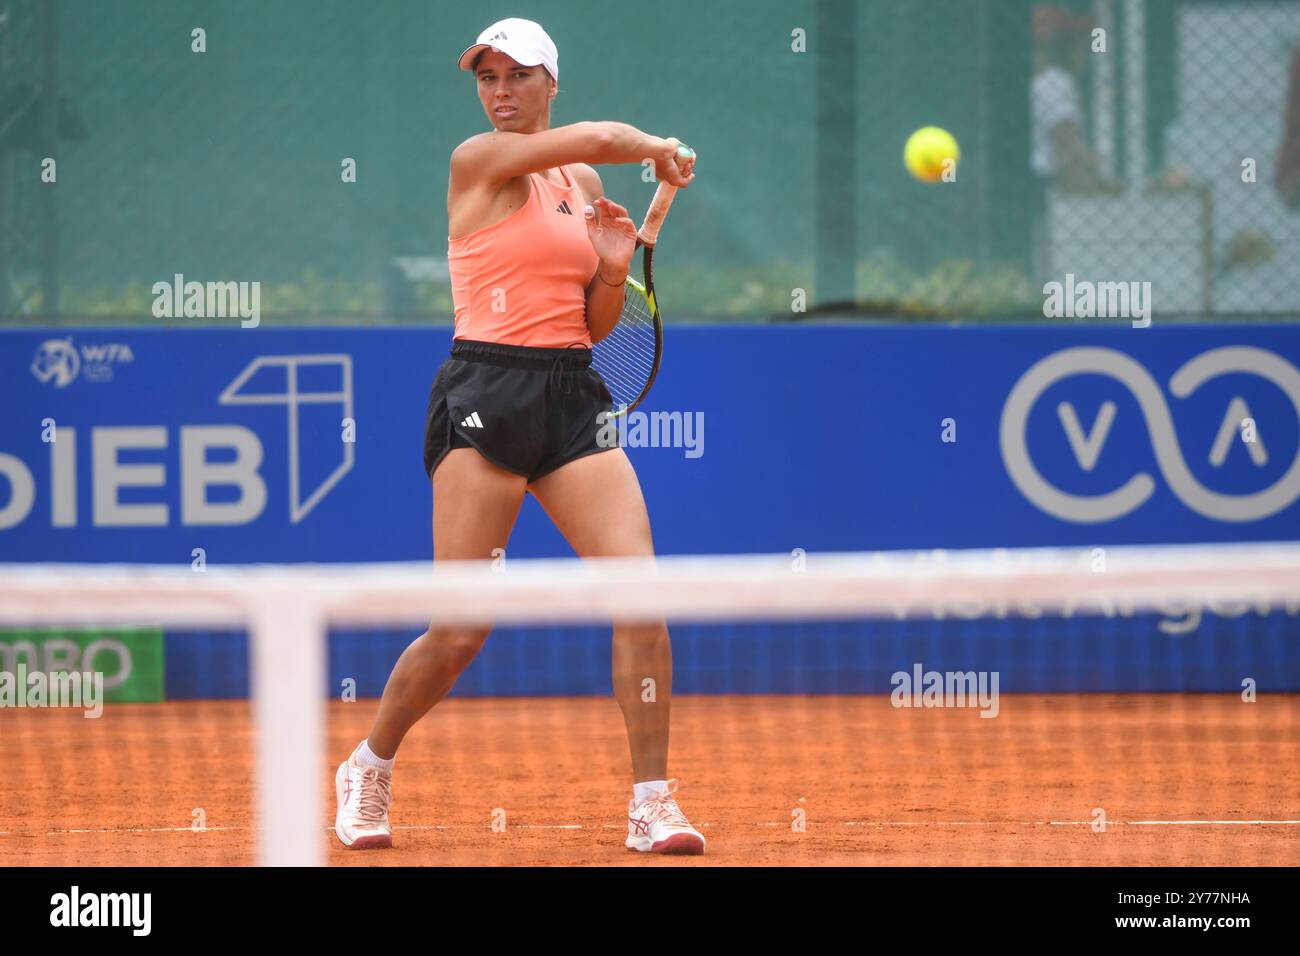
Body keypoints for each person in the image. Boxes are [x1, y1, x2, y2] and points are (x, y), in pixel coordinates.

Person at [333, 17, 705, 856]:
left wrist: (610, 267)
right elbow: (610, 136)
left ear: (550, 83)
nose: (500, 92)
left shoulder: (576, 178)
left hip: (572, 392)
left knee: (641, 598)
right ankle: (368, 764)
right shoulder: (480, 160)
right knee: (463, 628)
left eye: (517, 76)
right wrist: (654, 148)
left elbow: (597, 324)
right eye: (487, 77)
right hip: (484, 393)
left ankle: (653, 803)